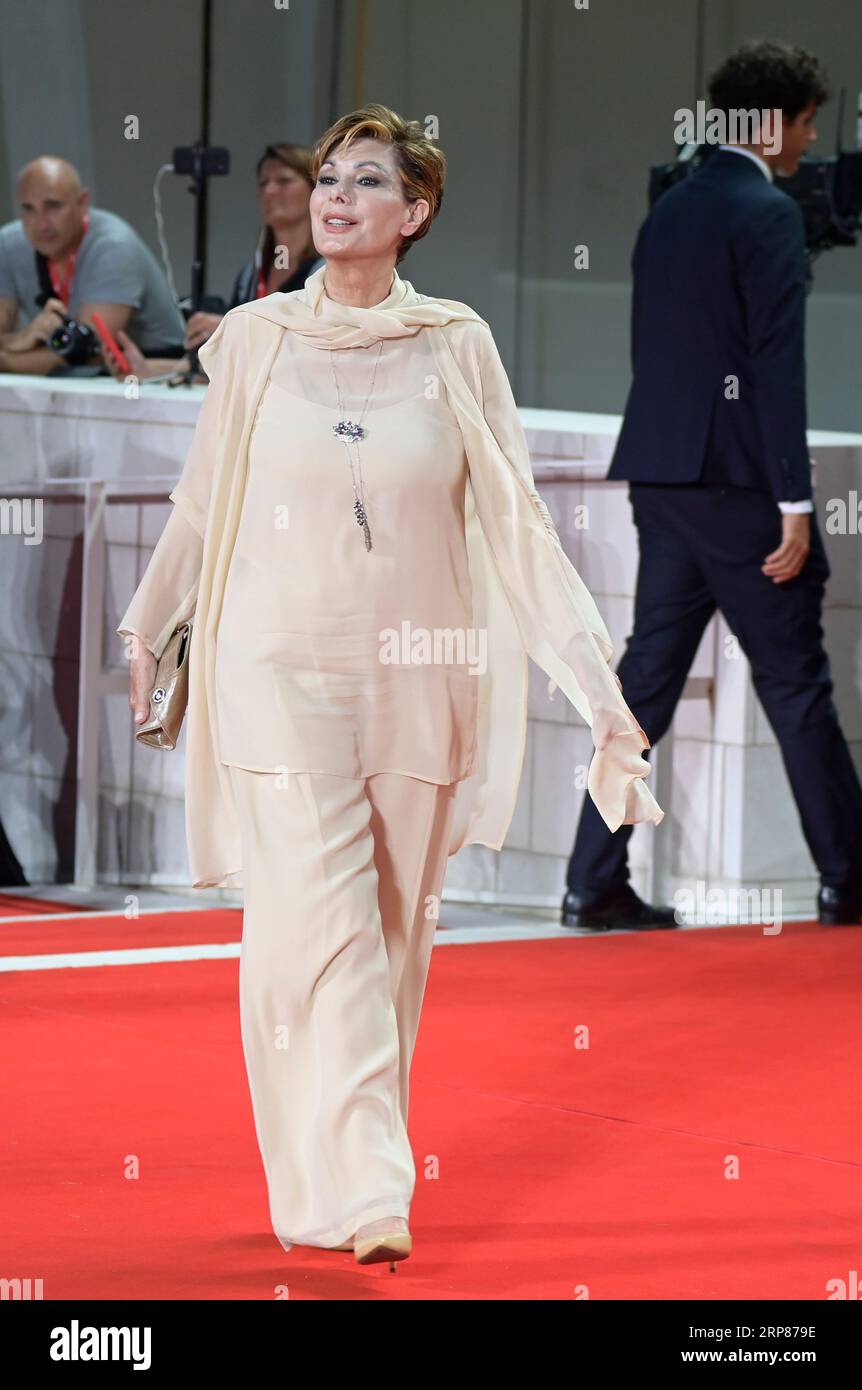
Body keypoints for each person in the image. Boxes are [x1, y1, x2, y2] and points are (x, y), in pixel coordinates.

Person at [116, 103, 663, 1268]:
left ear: (411, 216)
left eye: (366, 182)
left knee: (381, 934)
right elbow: (203, 506)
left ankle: (322, 1193)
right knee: (330, 926)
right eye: (327, 178)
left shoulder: (455, 341)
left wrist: (600, 698)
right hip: (275, 671)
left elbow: (517, 531)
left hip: (416, 679)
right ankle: (373, 1184)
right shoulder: (256, 341)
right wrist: (147, 623)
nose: (334, 196)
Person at [562, 40, 862, 933]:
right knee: (798, 682)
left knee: (645, 682)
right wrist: (795, 503)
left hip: (660, 476)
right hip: (736, 490)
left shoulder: (671, 211)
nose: (811, 141)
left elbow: (654, 353)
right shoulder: (766, 215)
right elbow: (776, 366)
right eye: (808, 122)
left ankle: (591, 882)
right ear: (774, 124)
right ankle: (851, 879)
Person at [114, 142, 324, 383]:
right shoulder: (251, 276)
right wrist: (148, 369)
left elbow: (311, 349)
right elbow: (232, 362)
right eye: (263, 183)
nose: (270, 191)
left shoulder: (323, 272)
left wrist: (235, 330)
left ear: (314, 189)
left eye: (283, 181)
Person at [0, 156, 185, 374]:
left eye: (53, 206)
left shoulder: (114, 246)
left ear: (82, 202)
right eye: (28, 209)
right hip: (82, 377)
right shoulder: (8, 243)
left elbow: (87, 355)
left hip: (154, 373)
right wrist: (21, 338)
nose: (41, 223)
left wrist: (6, 358)